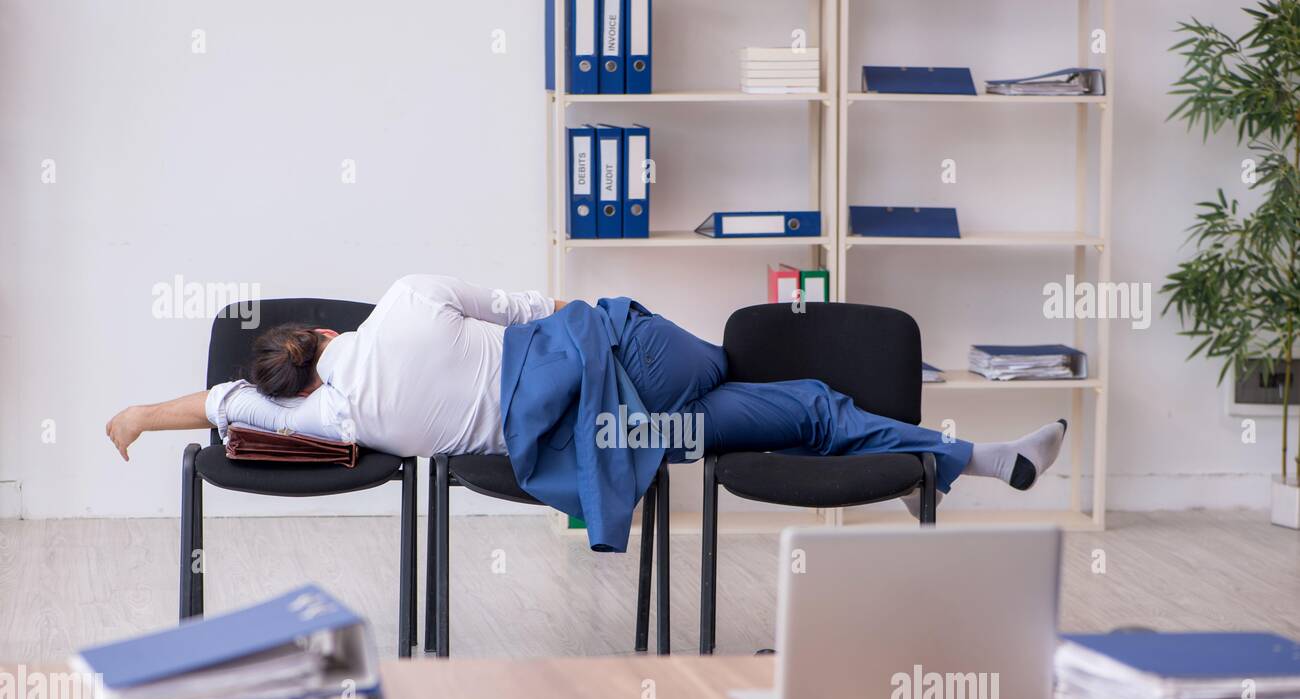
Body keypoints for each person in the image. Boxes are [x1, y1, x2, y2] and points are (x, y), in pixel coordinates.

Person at [106, 274, 1066, 548]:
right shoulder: (401, 300)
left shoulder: (338, 421)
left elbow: (223, 401)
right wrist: (580, 322)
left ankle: (981, 460)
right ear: (318, 338)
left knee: (798, 406)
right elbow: (527, 306)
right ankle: (966, 459)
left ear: (299, 386)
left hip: (600, 439)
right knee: (731, 367)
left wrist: (142, 416)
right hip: (616, 358)